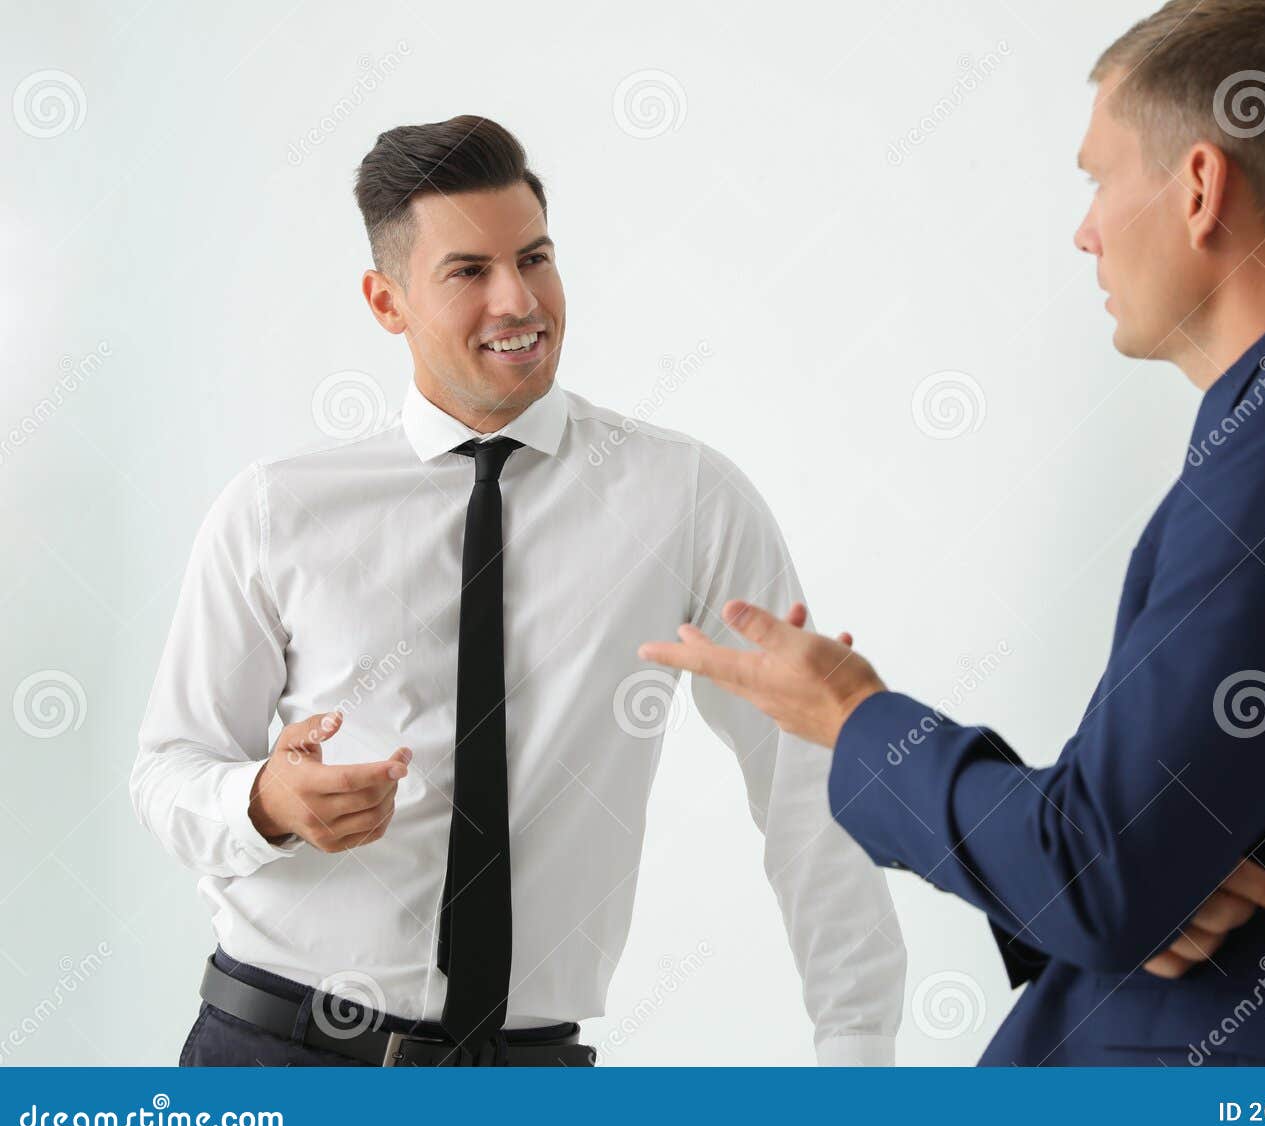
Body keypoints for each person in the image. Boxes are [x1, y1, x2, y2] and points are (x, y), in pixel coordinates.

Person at [640, 0, 1265, 1066]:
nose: (1085, 228)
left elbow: (1094, 869)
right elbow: (1120, 867)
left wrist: (851, 716)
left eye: (1099, 178)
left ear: (1200, 187)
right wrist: (1141, 878)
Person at [131, 115, 915, 1066]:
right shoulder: (276, 510)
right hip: (275, 1054)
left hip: (528, 1074)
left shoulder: (686, 499)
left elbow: (805, 779)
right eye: (469, 272)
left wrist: (860, 1047)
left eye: (534, 258)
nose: (519, 300)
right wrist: (263, 800)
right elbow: (168, 770)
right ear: (388, 302)